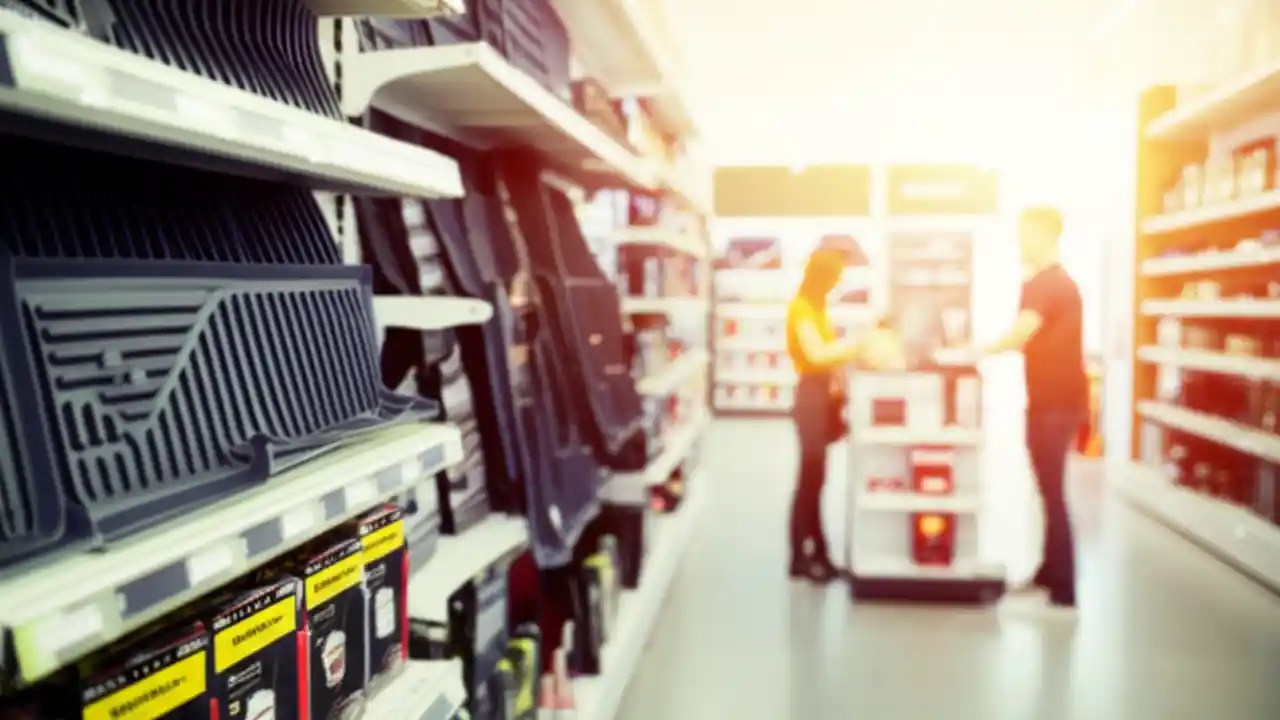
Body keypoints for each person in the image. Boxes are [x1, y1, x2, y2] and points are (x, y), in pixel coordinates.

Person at [983, 206, 1087, 609]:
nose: (1018, 243)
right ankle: (1050, 571)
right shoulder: (1060, 283)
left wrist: (978, 350)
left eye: (1023, 234)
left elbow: (1021, 333)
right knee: (1047, 488)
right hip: (1052, 400)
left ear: (1043, 235)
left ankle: (1064, 587)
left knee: (1052, 490)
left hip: (1053, 404)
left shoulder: (1044, 284)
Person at [785, 248, 864, 584]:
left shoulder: (817, 309)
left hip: (823, 400)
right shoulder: (801, 310)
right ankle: (799, 557)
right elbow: (817, 354)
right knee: (809, 481)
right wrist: (858, 345)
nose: (836, 286)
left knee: (817, 480)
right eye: (833, 280)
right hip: (811, 400)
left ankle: (819, 552)